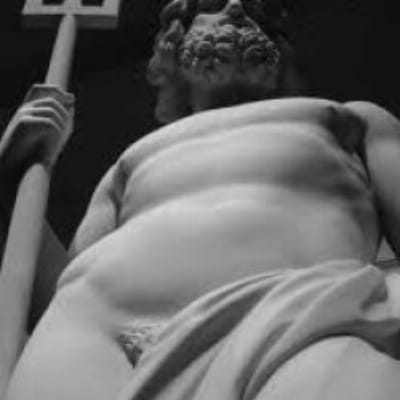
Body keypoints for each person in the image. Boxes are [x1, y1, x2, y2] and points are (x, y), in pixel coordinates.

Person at [2, 0, 400, 399]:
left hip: (299, 316)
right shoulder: (131, 160)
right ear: (172, 47)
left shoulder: (345, 119)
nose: (236, 7)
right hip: (94, 336)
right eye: (212, 6)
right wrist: (13, 173)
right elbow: (54, 288)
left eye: (258, 18)